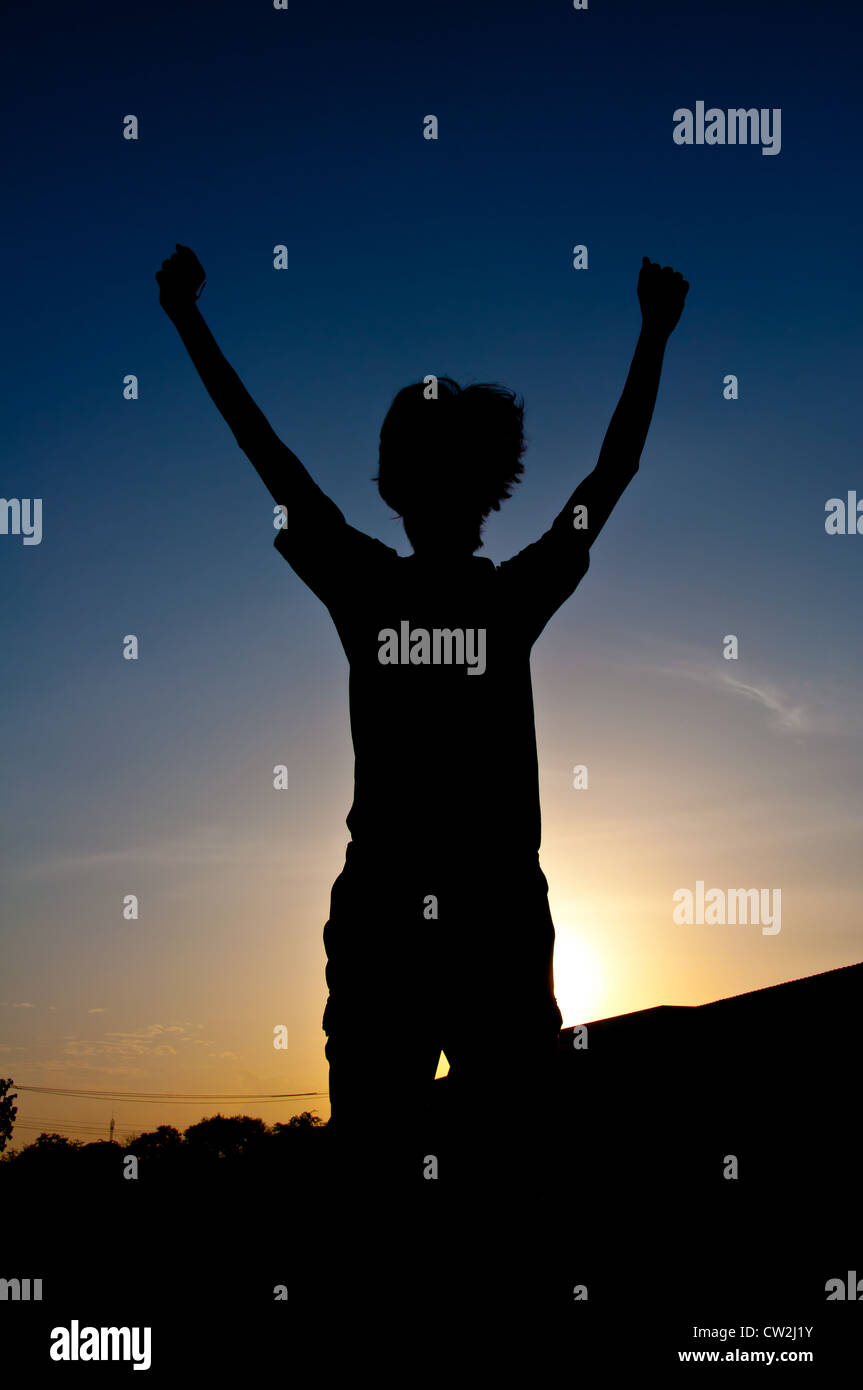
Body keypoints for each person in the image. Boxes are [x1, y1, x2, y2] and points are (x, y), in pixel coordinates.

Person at [156, 246, 689, 1171]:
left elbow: (267, 456)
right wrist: (653, 333)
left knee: (390, 1162)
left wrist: (186, 319)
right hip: (478, 917)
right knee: (504, 1159)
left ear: (394, 488)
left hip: (401, 920)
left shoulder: (370, 588)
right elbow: (611, 474)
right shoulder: (504, 599)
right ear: (490, 488)